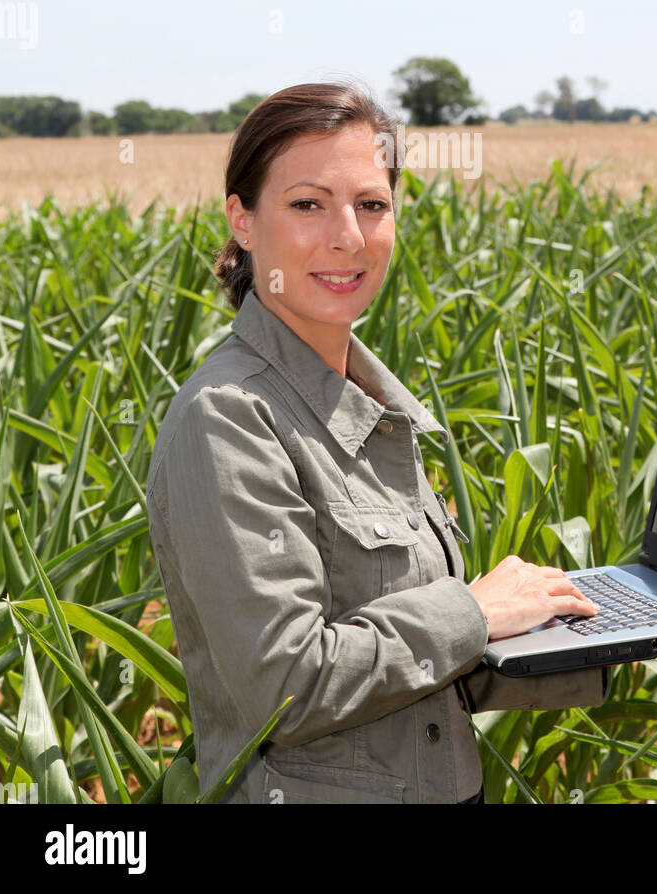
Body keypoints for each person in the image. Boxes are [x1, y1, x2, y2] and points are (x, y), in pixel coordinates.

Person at [146, 81, 601, 805]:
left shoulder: (373, 408)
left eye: (371, 204)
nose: (347, 237)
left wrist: (609, 634)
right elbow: (288, 686)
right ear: (242, 220)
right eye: (307, 204)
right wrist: (476, 611)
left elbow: (421, 663)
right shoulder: (227, 418)